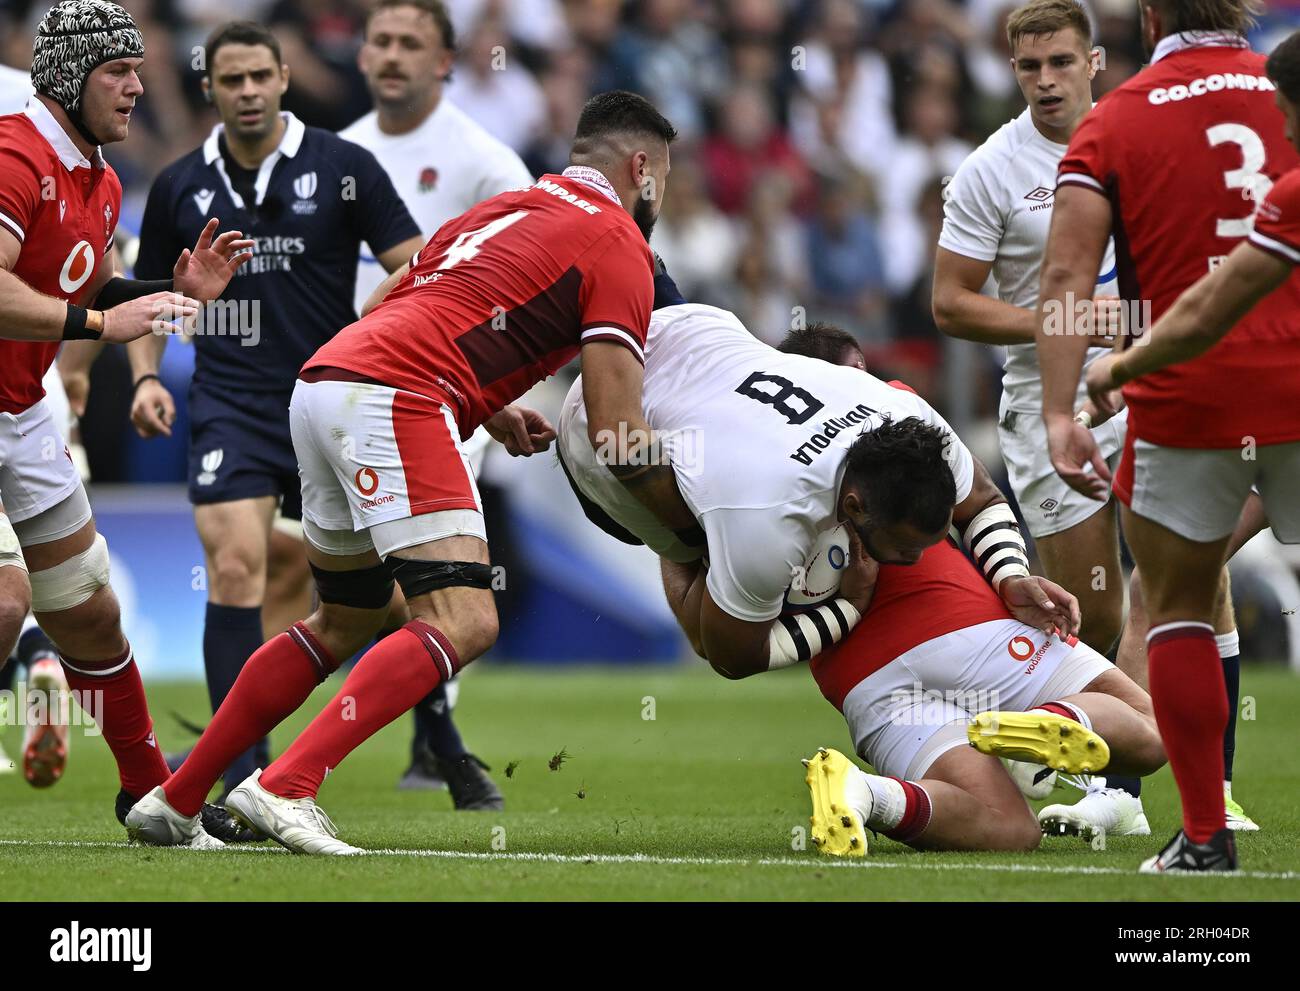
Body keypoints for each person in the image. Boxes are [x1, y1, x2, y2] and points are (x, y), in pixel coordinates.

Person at [127, 90, 698, 853]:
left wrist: (489, 407)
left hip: (326, 380)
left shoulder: (502, 208)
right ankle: (285, 783)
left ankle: (176, 796)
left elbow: (398, 296)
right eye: (663, 174)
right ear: (641, 169)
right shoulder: (620, 242)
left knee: (346, 618)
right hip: (395, 395)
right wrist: (689, 532)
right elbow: (614, 426)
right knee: (465, 619)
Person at [555, 291, 1160, 853]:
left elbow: (721, 647)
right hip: (959, 626)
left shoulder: (755, 501)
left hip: (866, 688)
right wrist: (1002, 576)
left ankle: (866, 795)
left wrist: (685, 543)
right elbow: (980, 498)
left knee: (1009, 829)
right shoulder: (885, 414)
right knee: (1151, 731)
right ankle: (1042, 727)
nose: (911, 554)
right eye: (854, 367)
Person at [933, 0, 1260, 837]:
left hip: (1150, 380)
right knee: (1095, 613)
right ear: (1012, 71)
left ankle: (1198, 792)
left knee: (1190, 581)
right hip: (1046, 399)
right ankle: (1105, 765)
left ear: (1095, 62)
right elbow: (949, 303)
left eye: (1061, 63)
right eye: (1029, 67)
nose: (1046, 81)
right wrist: (1059, 322)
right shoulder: (991, 170)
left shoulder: (1140, 130)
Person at [126, 20, 425, 803]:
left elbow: (418, 264)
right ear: (211, 90)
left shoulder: (345, 168)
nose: (249, 92)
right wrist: (145, 378)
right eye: (232, 81)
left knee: (371, 603)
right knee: (233, 565)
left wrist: (372, 321)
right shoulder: (179, 185)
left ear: (285, 77)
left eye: (261, 76)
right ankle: (234, 772)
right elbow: (149, 298)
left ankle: (420, 704)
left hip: (328, 404)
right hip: (231, 402)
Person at [1036, 0, 1300, 872]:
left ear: (1149, 18)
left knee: (1175, 601)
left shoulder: (1115, 118)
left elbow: (1071, 275)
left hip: (1188, 396)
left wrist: (1061, 409)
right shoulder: (1285, 85)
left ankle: (1203, 835)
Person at [0, 0, 251, 844]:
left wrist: (170, 296)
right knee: (6, 602)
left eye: (139, 70)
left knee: (88, 612)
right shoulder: (12, 153)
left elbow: (89, 288)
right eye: (118, 70)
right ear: (69, 75)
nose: (138, 88)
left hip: (22, 405)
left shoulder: (101, 180)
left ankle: (152, 797)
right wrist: (105, 326)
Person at [339, 0, 534, 804]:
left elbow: (525, 278)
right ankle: (433, 737)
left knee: (415, 574)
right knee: (386, 583)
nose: (392, 55)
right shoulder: (338, 153)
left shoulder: (485, 161)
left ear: (447, 62)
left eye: (410, 43)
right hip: (347, 385)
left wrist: (494, 386)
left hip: (447, 392)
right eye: (380, 41)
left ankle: (437, 741)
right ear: (360, 56)